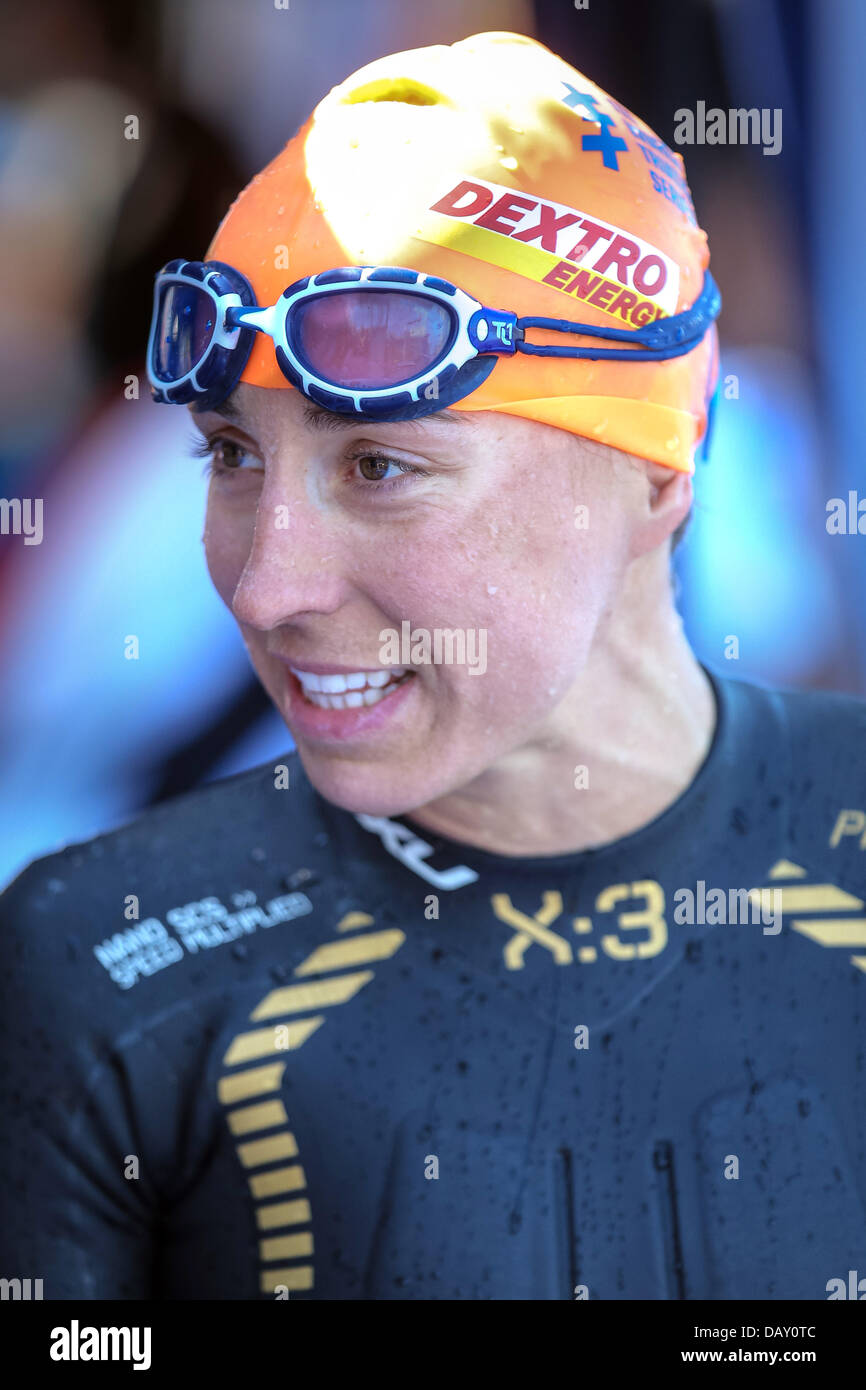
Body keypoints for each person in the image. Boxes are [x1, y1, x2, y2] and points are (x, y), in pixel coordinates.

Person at [1, 30, 864, 1302]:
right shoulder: (100, 962)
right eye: (229, 454)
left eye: (379, 467)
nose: (261, 584)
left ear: (658, 471)